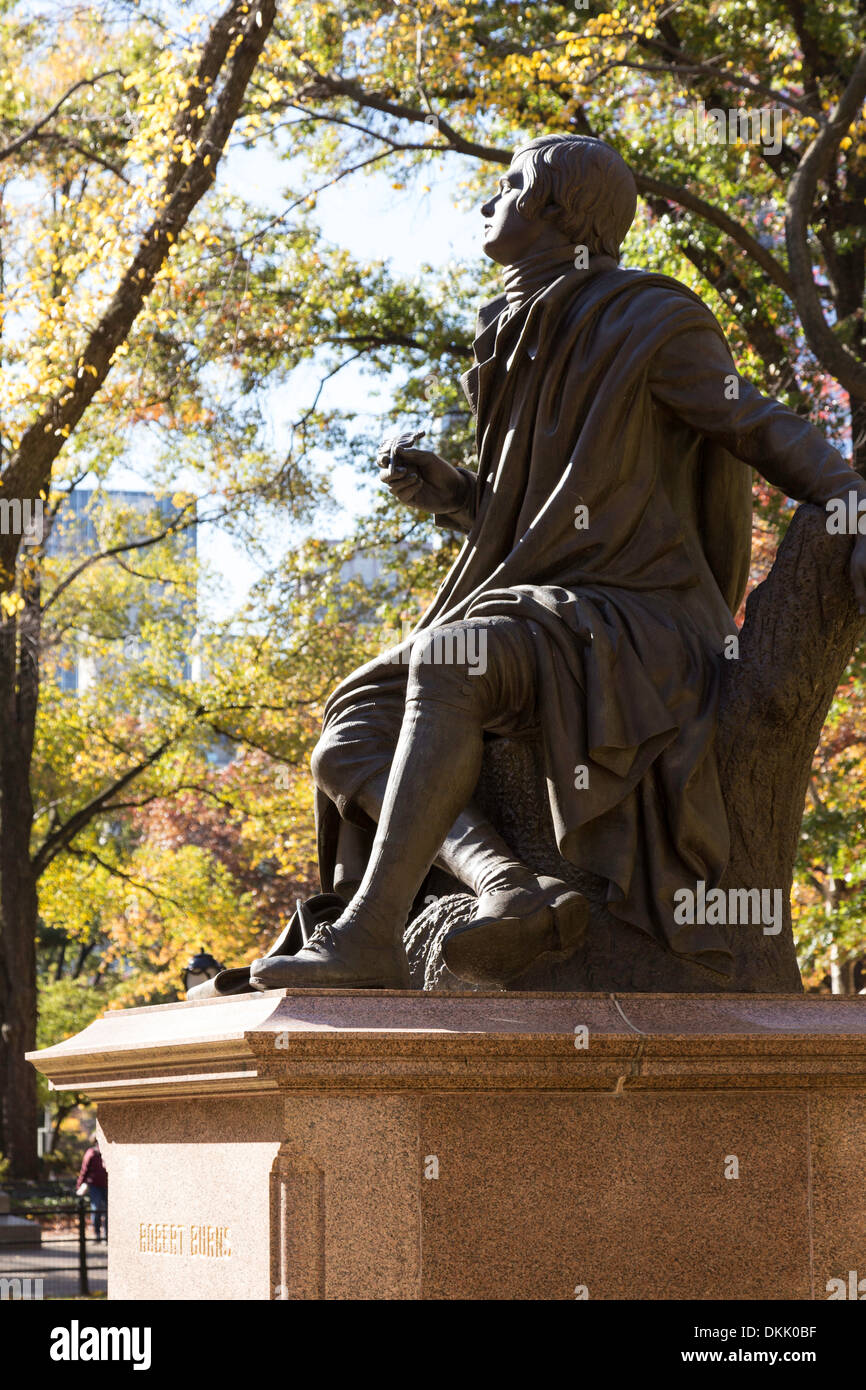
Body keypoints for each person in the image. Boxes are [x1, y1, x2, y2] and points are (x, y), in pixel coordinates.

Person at [249, 133, 866, 992]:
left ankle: (370, 934)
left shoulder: (652, 318)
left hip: (636, 617)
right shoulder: (511, 332)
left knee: (451, 661)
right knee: (349, 731)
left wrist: (852, 500)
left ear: (554, 208)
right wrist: (459, 496)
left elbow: (758, 423)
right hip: (540, 609)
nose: (484, 203)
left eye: (505, 186)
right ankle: (508, 887)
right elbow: (530, 520)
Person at [77, 1136, 108, 1242]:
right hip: (95, 1186)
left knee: (107, 1211)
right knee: (96, 1209)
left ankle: (106, 1235)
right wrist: (80, 1184)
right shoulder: (91, 1153)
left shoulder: (108, 1153)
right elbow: (84, 1170)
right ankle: (97, 1234)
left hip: (107, 1185)